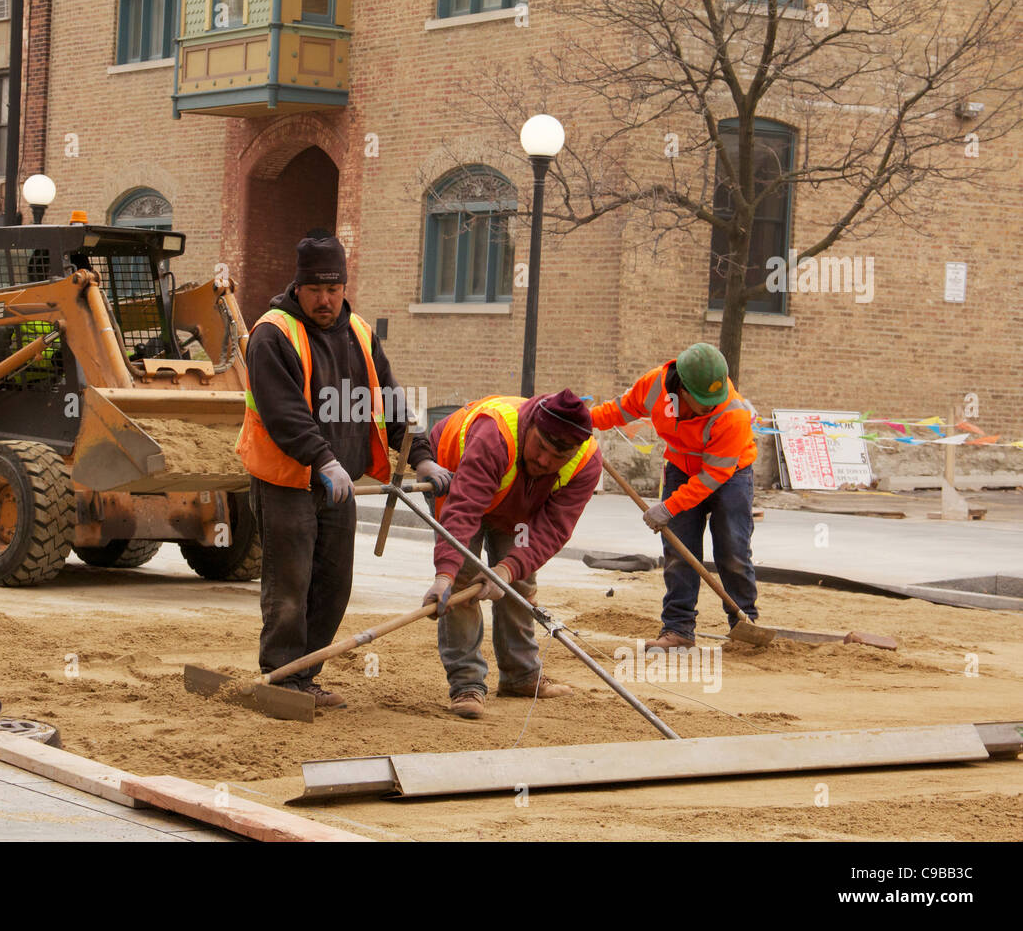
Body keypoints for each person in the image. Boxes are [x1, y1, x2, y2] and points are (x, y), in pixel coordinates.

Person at [237, 231, 452, 709]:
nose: (326, 300)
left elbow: (390, 401)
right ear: (298, 287)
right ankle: (281, 678)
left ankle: (306, 676)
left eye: (334, 290)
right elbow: (283, 411)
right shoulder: (273, 333)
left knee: (333, 584)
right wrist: (322, 458)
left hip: (338, 485)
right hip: (287, 480)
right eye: (315, 290)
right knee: (289, 585)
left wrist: (421, 455)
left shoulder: (359, 333)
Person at [421, 390, 601, 719]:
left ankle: (521, 675)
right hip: (457, 475)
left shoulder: (586, 462)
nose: (546, 461)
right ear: (531, 425)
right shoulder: (495, 435)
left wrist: (507, 569)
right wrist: (443, 575)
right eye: (541, 448)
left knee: (518, 580)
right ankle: (467, 684)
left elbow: (553, 528)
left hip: (517, 499)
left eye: (557, 457)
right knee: (462, 582)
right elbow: (462, 511)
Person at [589, 342, 759, 650]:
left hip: (730, 475)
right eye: (704, 402)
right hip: (681, 466)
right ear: (682, 389)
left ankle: (744, 624)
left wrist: (670, 507)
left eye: (714, 401)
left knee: (732, 551)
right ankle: (679, 629)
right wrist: (581, 422)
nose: (711, 407)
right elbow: (619, 411)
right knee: (680, 551)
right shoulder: (654, 385)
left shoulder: (731, 413)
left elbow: (713, 476)